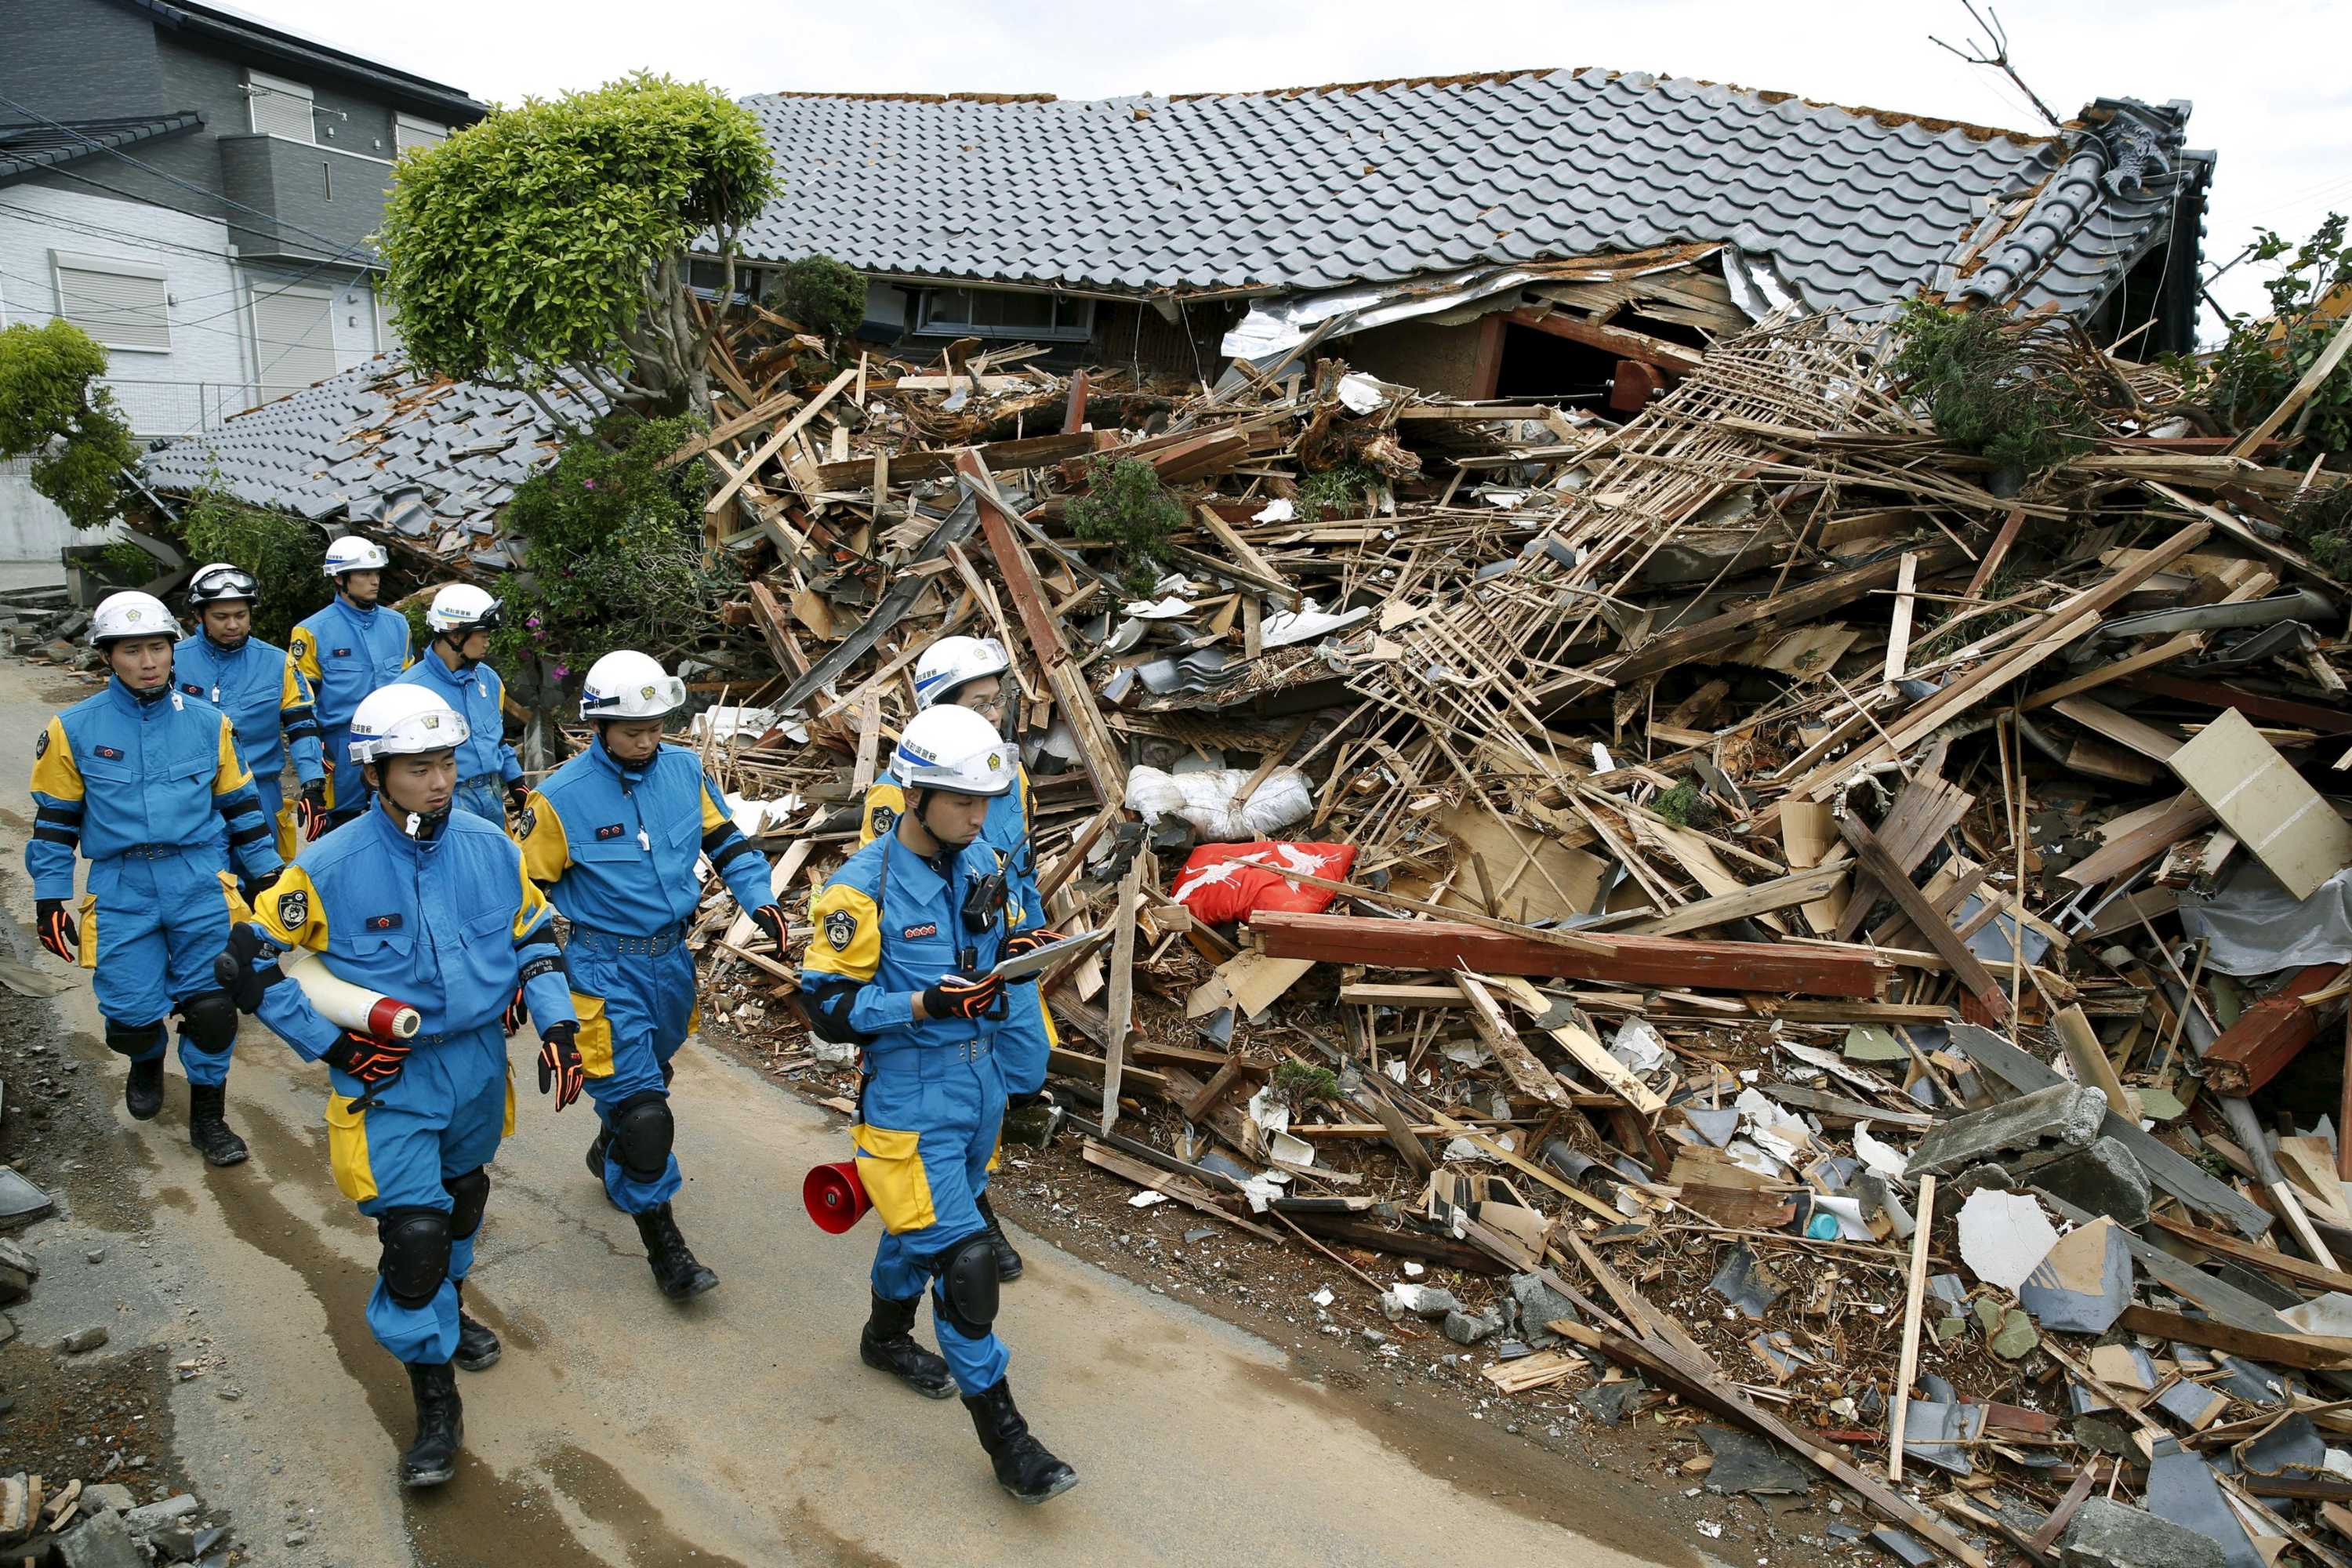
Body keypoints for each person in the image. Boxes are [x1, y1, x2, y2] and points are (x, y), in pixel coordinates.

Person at [215, 684, 579, 1490]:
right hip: (391, 1076)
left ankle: (446, 1313)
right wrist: (334, 1044)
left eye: (447, 761)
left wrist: (556, 1024)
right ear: (376, 773)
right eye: (419, 768)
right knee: (414, 1235)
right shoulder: (330, 864)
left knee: (465, 1197)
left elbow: (533, 938)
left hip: (479, 1062)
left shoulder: (490, 845)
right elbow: (246, 963)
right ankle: (435, 1400)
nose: (440, 781)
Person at [801, 703, 1076, 1505]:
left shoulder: (981, 853)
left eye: (985, 799)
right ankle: (1009, 1441)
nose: (979, 814)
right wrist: (918, 1004)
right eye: (962, 800)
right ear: (914, 795)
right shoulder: (861, 889)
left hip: (981, 1084)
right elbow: (826, 1010)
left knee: (916, 1228)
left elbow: (1012, 929)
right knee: (964, 1263)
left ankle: (884, 1338)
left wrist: (1024, 947)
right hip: (910, 1098)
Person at [515, 650, 785, 1298]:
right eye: (633, 731)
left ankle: (610, 1145)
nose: (646, 741)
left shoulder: (684, 772)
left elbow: (725, 840)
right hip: (600, 967)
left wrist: (759, 896)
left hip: (669, 961)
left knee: (650, 1078)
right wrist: (521, 981)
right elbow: (520, 896)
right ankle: (667, 1248)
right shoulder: (558, 800)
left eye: (656, 727)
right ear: (597, 727)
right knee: (646, 1116)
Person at [27, 591, 284, 1165]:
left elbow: (242, 807)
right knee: (128, 1016)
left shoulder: (209, 724)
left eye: (158, 648)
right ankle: (146, 1060)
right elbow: (55, 823)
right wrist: (49, 898)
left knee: (214, 1009)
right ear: (108, 657)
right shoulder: (73, 729)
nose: (148, 662)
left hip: (197, 879)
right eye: (132, 650)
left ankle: (208, 1119)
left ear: (174, 652)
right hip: (122, 886)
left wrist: (268, 876)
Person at [856, 635, 1055, 1281]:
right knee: (958, 1084)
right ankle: (968, 1203)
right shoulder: (899, 796)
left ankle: (956, 1188)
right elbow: (892, 891)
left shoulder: (1006, 770)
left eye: (997, 700)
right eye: (978, 701)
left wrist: (1028, 932)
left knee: (1023, 1066)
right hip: (939, 969)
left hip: (1000, 953)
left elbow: (1017, 866)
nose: (993, 713)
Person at [174, 563, 326, 858]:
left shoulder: (278, 663)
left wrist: (314, 785)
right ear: (198, 615)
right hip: (193, 799)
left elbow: (302, 725)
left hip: (262, 795)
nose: (233, 625)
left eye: (241, 615)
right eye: (221, 617)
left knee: (266, 890)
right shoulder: (171, 663)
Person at [289, 536, 410, 833]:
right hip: (342, 751)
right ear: (340, 579)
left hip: (396, 744)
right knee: (343, 831)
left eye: (377, 573)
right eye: (365, 574)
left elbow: (410, 690)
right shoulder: (311, 631)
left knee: (401, 825)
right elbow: (300, 709)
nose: (374, 581)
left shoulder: (398, 624)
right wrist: (312, 780)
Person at [391, 584, 523, 826]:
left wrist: (517, 783)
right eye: (483, 636)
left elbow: (498, 738)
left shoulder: (489, 679)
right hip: (448, 799)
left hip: (492, 794)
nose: (487, 644)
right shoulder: (408, 692)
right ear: (455, 635)